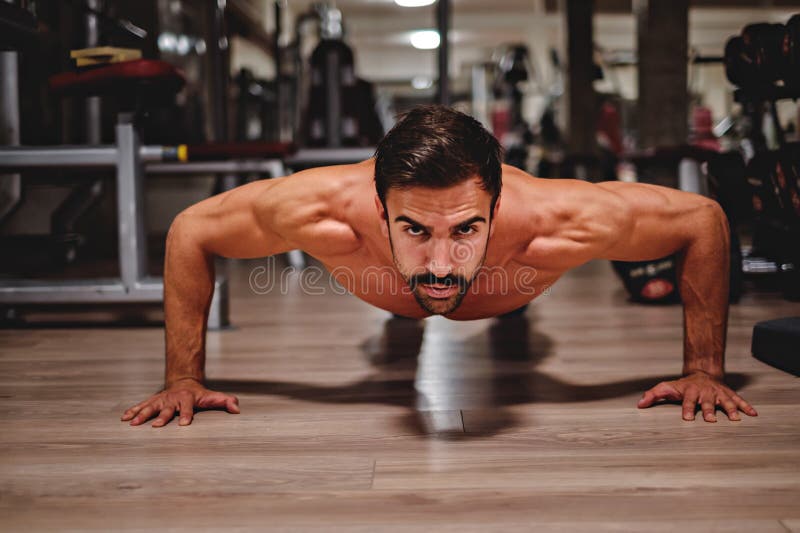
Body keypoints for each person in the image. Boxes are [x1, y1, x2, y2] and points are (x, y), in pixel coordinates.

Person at [121, 105, 757, 428]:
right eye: (415, 229)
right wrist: (183, 377)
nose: (440, 262)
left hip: (513, 283)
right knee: (401, 328)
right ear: (377, 207)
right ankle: (405, 318)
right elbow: (190, 230)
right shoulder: (321, 213)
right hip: (387, 289)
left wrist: (703, 370)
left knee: (517, 329)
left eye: (467, 229)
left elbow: (703, 221)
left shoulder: (558, 220)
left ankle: (500, 297)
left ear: (498, 204)